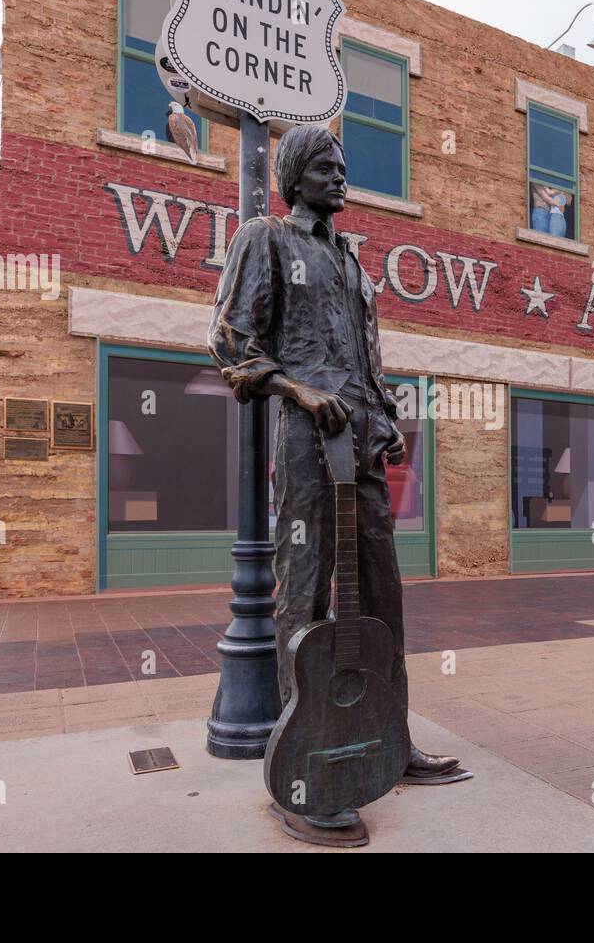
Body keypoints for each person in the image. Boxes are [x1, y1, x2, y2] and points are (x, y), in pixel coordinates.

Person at [209, 125, 465, 809]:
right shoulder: (265, 238)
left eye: (343, 166)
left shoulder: (353, 263)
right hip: (306, 437)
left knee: (384, 595)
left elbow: (366, 360)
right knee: (305, 591)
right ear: (294, 177)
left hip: (363, 442)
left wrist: (384, 419)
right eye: (326, 166)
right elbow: (232, 339)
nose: (341, 176)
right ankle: (309, 758)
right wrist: (298, 390)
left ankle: (390, 737)